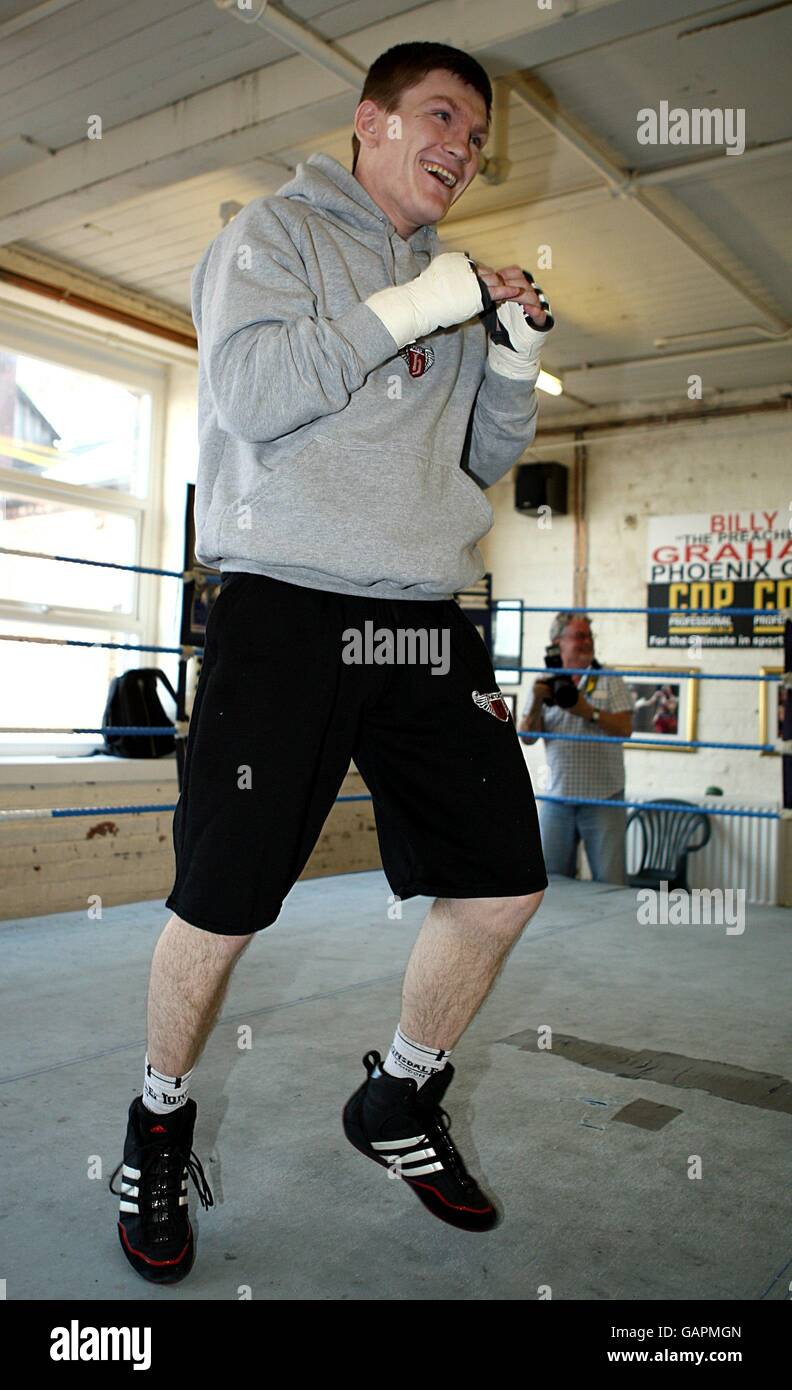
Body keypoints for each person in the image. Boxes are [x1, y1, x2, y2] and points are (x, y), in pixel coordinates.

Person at [110, 41, 556, 1283]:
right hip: (285, 601)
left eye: (475, 137)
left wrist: (508, 357)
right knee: (224, 899)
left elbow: (466, 466)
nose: (463, 149)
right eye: (441, 117)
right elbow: (251, 394)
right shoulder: (275, 236)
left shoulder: (455, 288)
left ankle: (401, 1098)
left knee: (504, 880)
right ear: (369, 120)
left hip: (420, 611)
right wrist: (423, 304)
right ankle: (157, 1114)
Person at [518, 613, 633, 884]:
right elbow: (527, 737)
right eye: (579, 636)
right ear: (558, 642)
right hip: (558, 798)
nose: (587, 642)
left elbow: (625, 728)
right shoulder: (545, 682)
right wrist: (536, 701)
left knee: (610, 882)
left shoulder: (609, 679)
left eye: (589, 636)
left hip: (604, 798)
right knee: (551, 882)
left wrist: (588, 712)